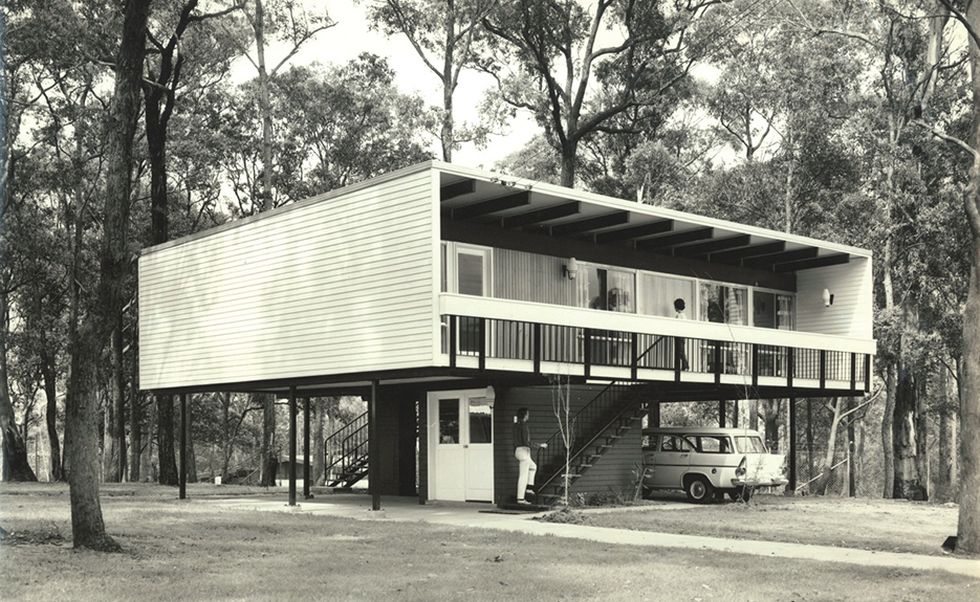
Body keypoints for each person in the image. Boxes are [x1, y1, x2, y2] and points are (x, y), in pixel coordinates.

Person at [514, 408, 538, 505]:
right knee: (523, 476)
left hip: (518, 450)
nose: (528, 415)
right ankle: (520, 499)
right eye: (527, 414)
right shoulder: (524, 426)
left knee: (533, 467)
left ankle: (529, 488)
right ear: (525, 415)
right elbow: (526, 442)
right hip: (523, 450)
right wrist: (539, 445)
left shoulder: (515, 425)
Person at [673, 298, 690, 370]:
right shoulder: (683, 315)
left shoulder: (680, 316)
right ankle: (684, 365)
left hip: (680, 335)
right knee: (680, 351)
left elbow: (678, 326)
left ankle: (685, 365)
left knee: (680, 351)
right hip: (681, 336)